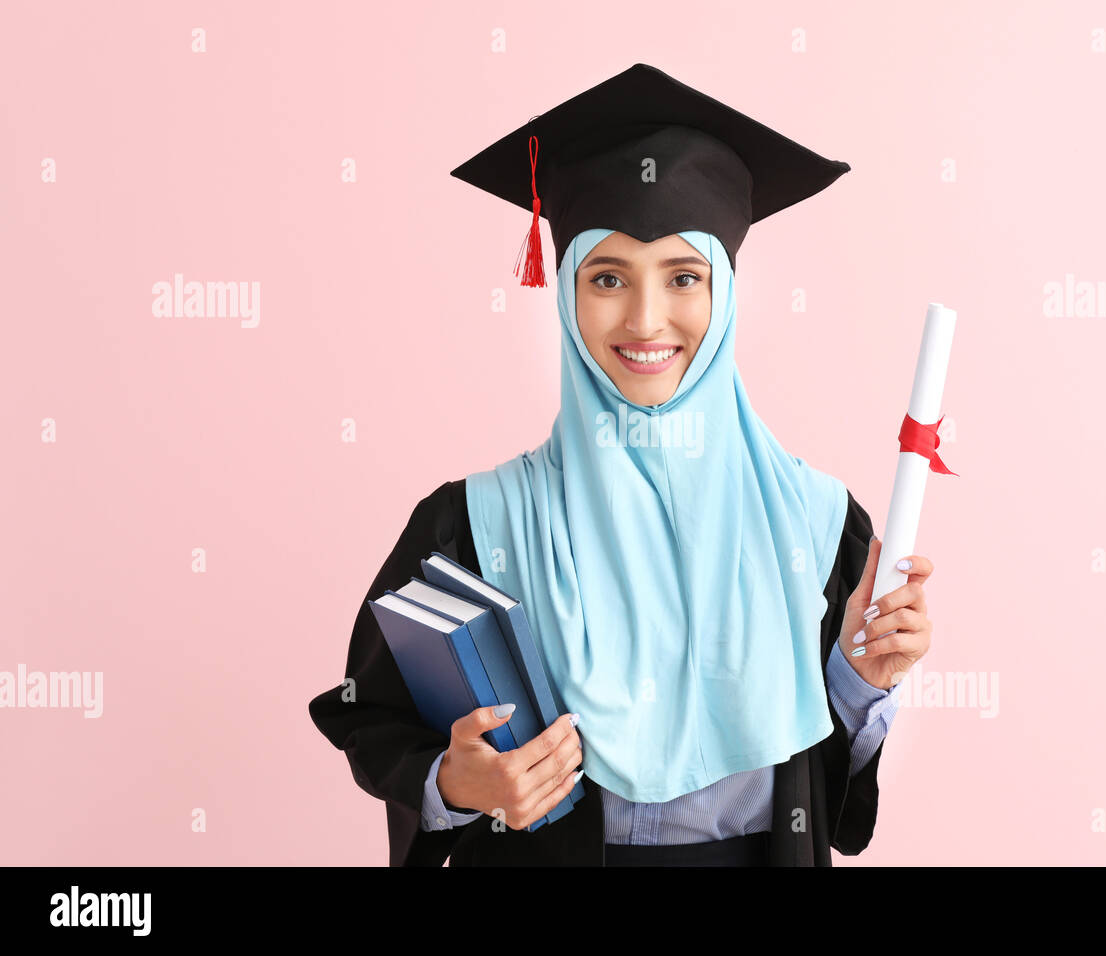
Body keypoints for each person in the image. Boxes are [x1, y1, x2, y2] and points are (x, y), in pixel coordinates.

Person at [308, 63, 936, 867]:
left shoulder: (812, 522)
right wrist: (456, 782)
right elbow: (368, 714)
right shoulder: (473, 523)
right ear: (566, 293)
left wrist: (858, 673)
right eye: (607, 278)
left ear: (726, 297)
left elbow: (820, 794)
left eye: (684, 277)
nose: (646, 319)